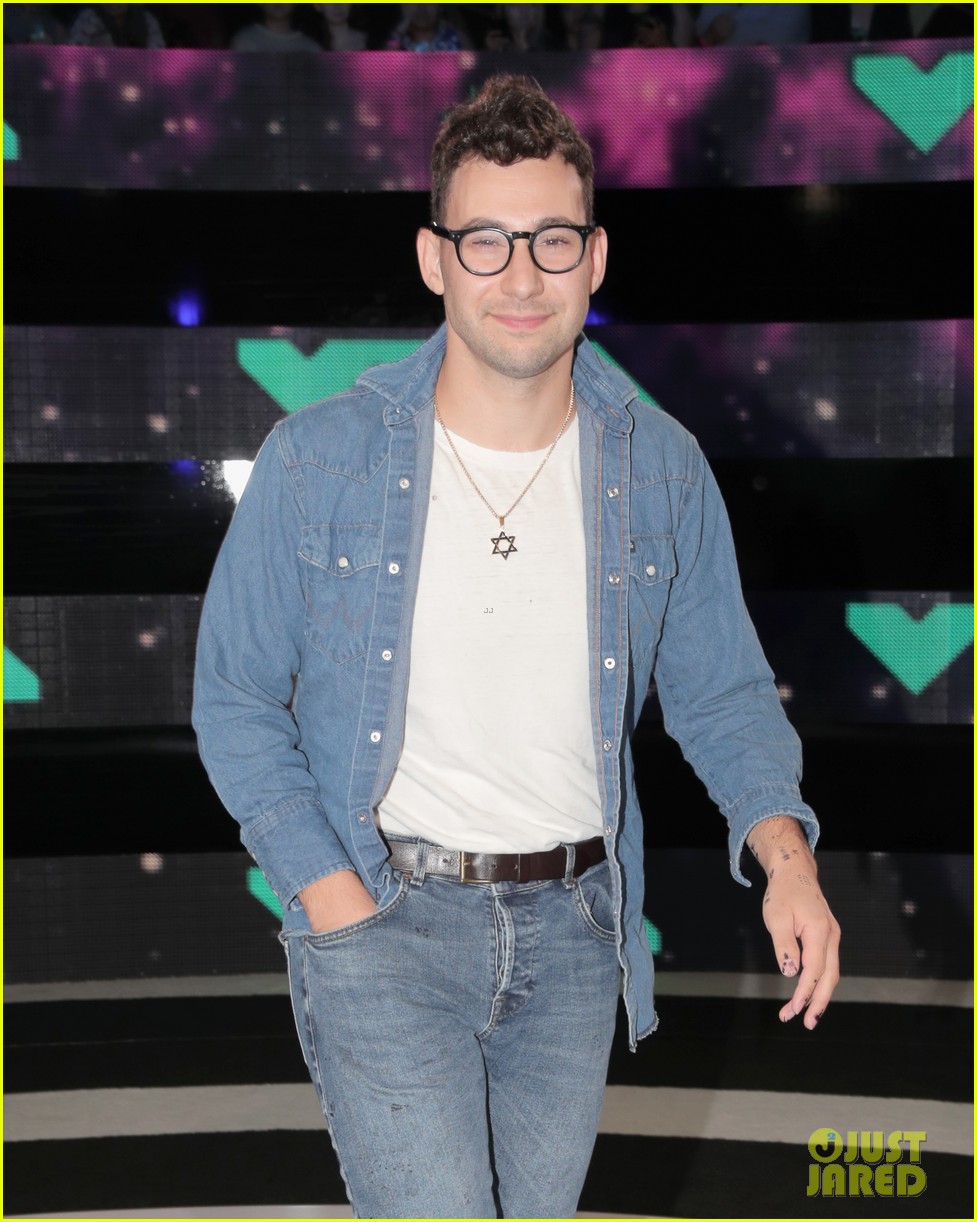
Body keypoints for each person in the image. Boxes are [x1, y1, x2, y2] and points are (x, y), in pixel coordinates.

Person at [193, 73, 841, 1219]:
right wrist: (334, 899)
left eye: (551, 239)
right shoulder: (318, 459)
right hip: (385, 922)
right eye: (483, 242)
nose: (521, 276)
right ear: (432, 259)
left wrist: (785, 857)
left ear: (594, 258)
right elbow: (235, 700)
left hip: (578, 931)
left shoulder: (659, 468)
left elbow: (722, 693)